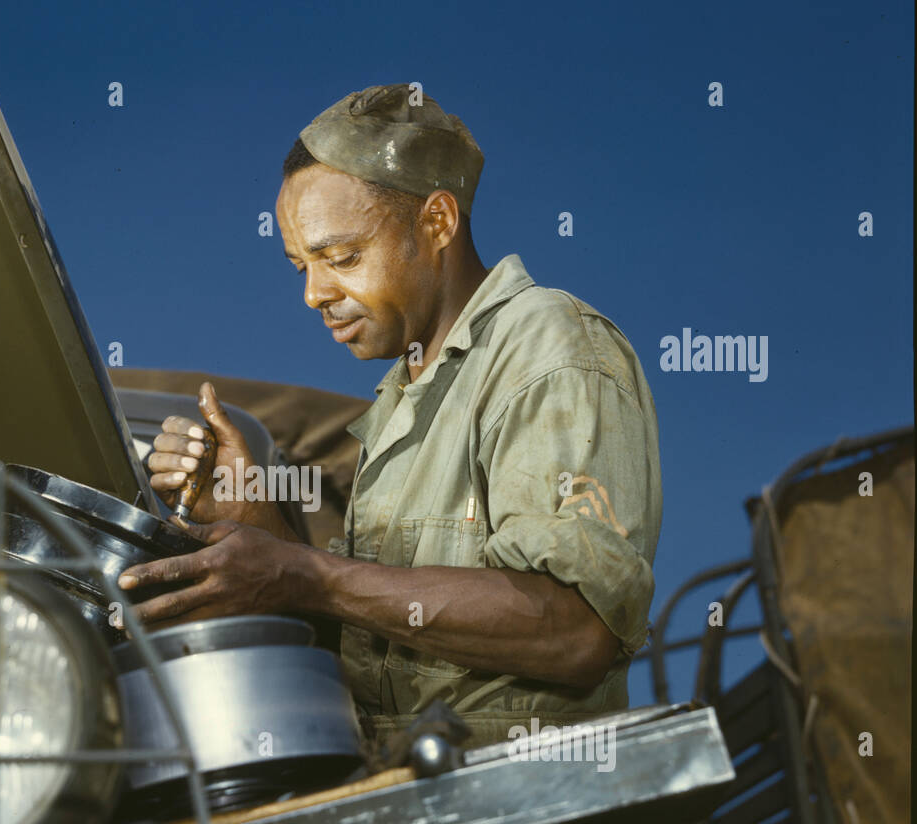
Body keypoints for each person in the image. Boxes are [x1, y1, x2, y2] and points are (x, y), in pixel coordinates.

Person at [118, 83, 663, 748]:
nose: (317, 293)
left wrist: (303, 573)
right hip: (406, 801)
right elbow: (377, 634)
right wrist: (253, 518)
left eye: (342, 257)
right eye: (301, 268)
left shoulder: (546, 343)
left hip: (525, 814)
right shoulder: (404, 399)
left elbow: (576, 629)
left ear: (437, 222)